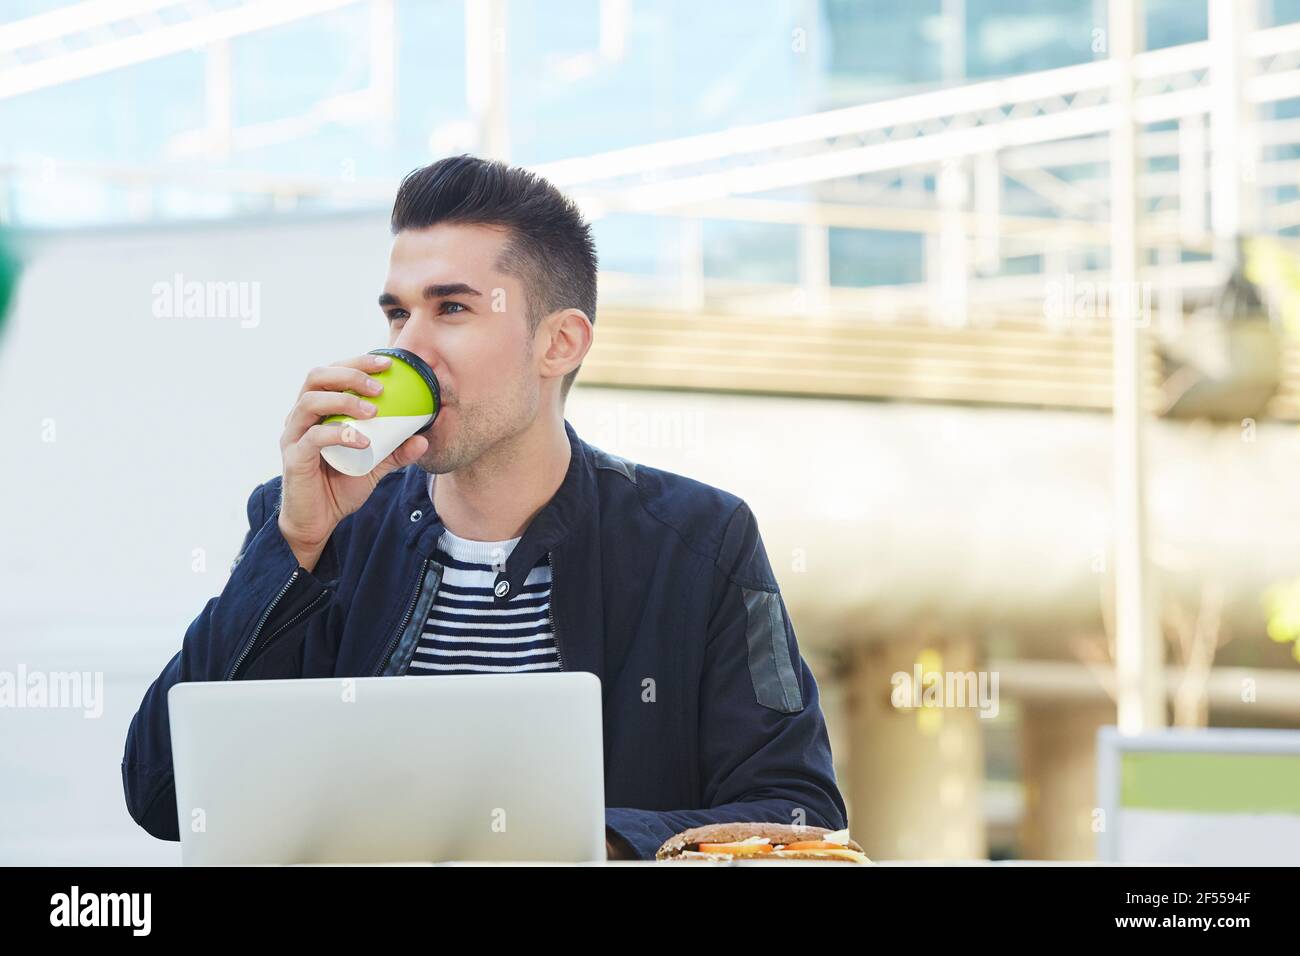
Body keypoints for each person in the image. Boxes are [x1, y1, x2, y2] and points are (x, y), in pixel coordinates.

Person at [122, 154, 848, 860]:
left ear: (559, 343)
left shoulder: (696, 541)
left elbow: (799, 816)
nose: (407, 348)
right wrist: (294, 549)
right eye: (397, 315)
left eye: (452, 309)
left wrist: (577, 845)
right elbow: (161, 795)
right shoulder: (321, 532)